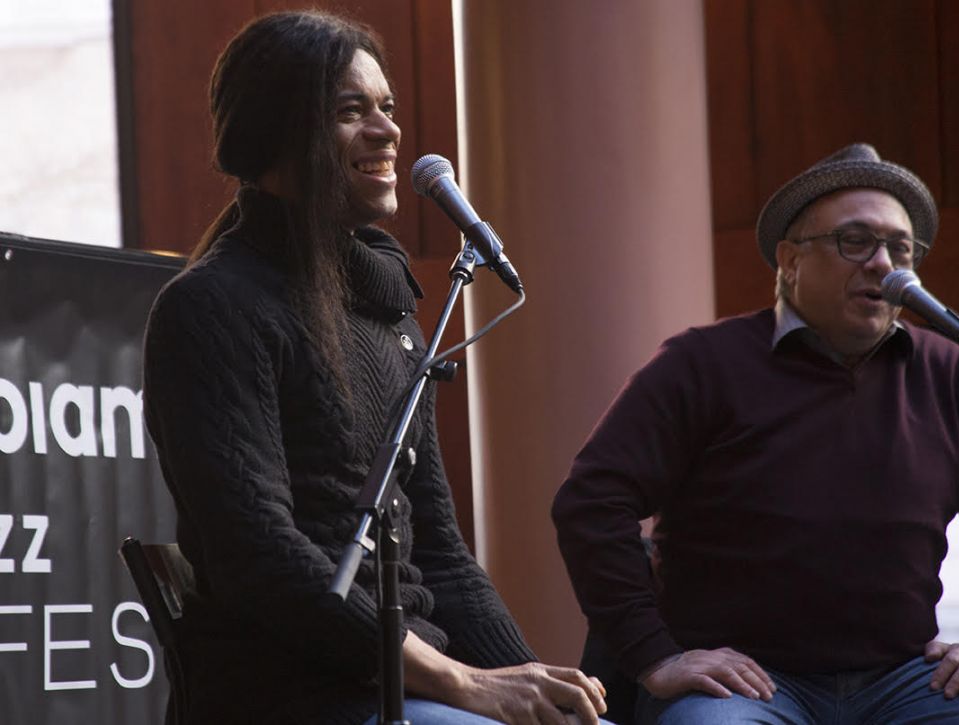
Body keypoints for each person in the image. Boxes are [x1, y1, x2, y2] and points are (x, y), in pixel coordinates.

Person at [142, 10, 609, 725]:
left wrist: (530, 684)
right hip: (294, 692)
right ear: (274, 132)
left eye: (386, 107)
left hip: (410, 678)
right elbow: (260, 559)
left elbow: (444, 557)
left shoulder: (388, 313)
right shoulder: (211, 308)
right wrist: (461, 682)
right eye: (349, 110)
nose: (388, 130)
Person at [551, 143, 959, 724]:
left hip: (905, 677)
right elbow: (591, 502)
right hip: (747, 686)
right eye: (855, 241)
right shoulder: (702, 364)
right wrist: (655, 656)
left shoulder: (950, 372)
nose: (884, 265)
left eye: (901, 248)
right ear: (789, 260)